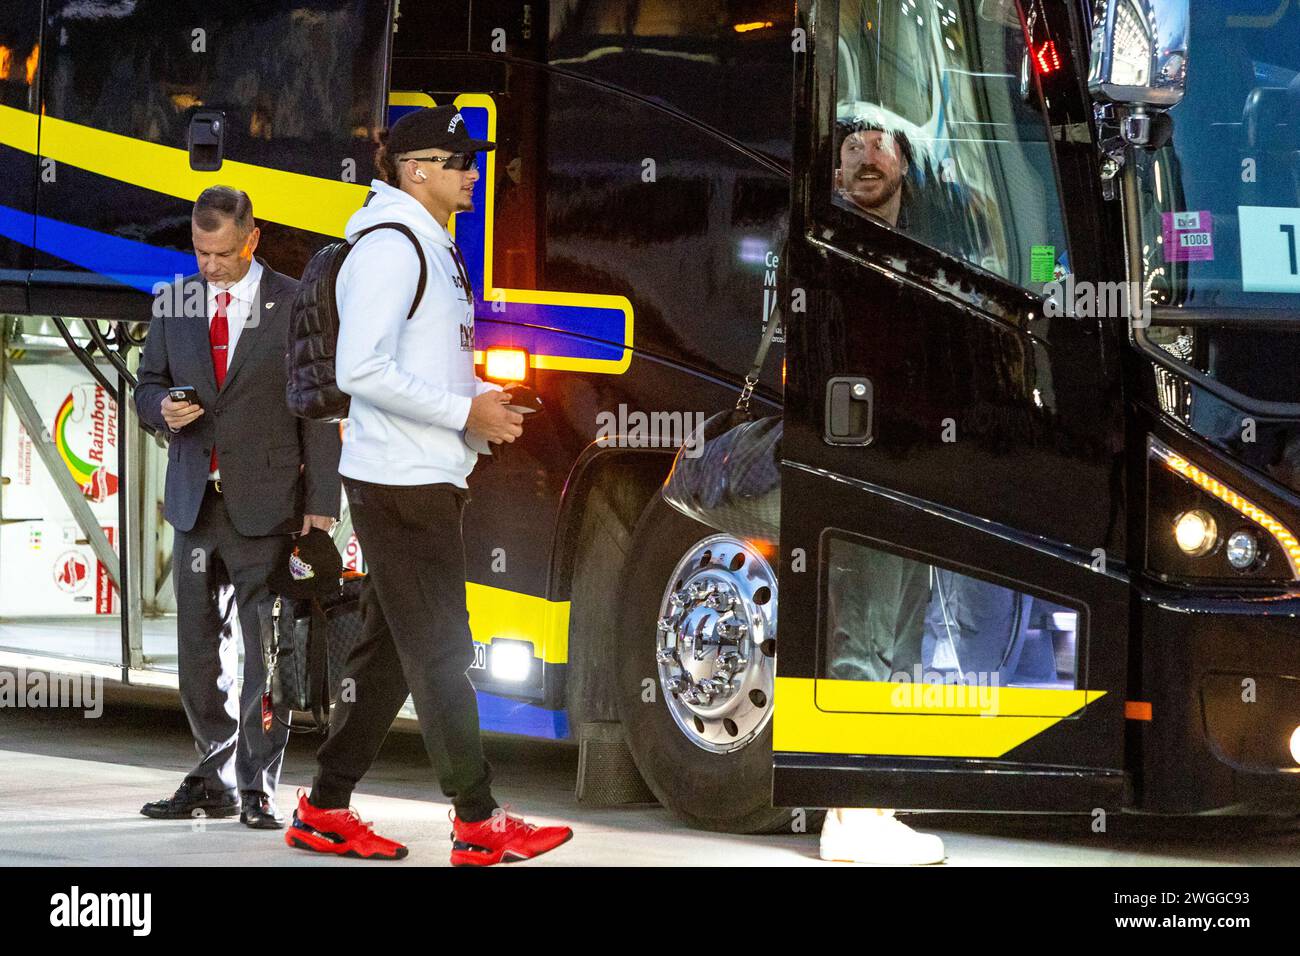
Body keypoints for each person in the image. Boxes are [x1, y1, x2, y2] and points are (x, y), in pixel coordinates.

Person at [285, 106, 573, 865]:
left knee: (387, 655)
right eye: (459, 162)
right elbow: (361, 370)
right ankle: (478, 820)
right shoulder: (391, 246)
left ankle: (323, 808)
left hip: (422, 473)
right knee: (445, 651)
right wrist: (462, 410)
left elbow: (424, 363)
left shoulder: (429, 245)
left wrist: (480, 409)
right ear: (416, 170)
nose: (474, 174)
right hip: (398, 480)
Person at [135, 186, 342, 829]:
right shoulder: (174, 300)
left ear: (251, 238)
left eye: (222, 253)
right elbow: (147, 384)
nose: (210, 266)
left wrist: (321, 505)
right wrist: (162, 411)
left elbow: (316, 406)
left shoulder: (292, 303)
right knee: (197, 660)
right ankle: (214, 773)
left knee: (264, 656)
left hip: (268, 506)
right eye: (200, 252)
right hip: (197, 502)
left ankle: (256, 785)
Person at [820, 122, 945, 866]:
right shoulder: (831, 248)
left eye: (879, 146)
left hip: (912, 472)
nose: (866, 158)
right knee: (862, 639)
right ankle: (851, 813)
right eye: (851, 150)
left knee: (899, 639)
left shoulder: (924, 255)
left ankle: (877, 803)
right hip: (862, 471)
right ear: (834, 175)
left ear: (905, 162)